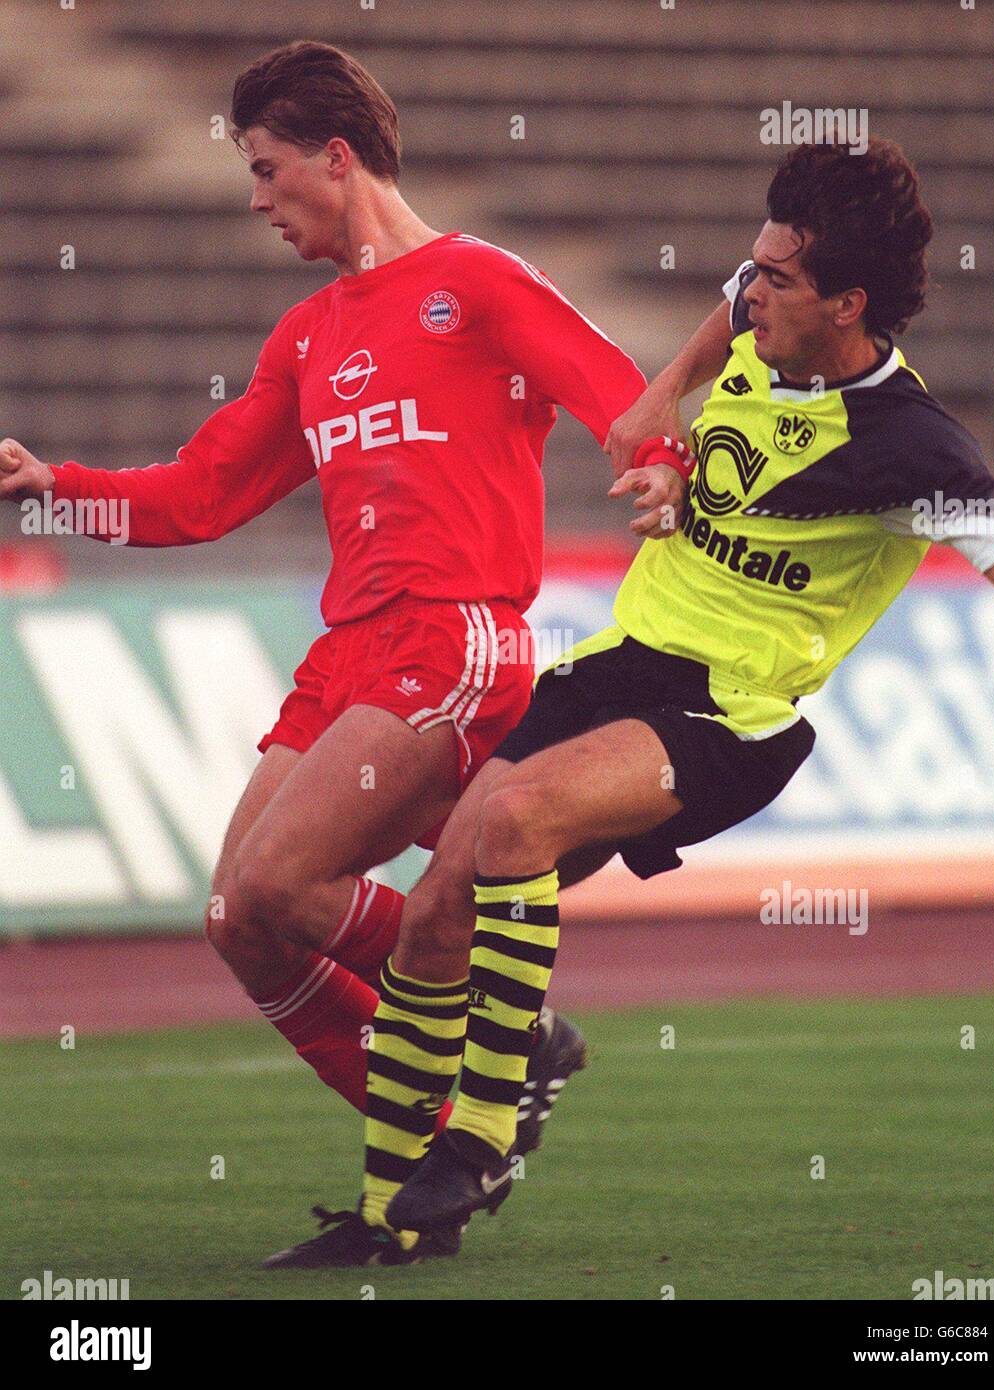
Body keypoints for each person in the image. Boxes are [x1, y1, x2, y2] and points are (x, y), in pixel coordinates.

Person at [0, 40, 673, 1268]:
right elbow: (200, 494)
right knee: (237, 917)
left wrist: (661, 468)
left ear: (336, 157)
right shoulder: (308, 336)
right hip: (347, 654)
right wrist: (56, 489)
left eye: (266, 170)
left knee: (278, 887)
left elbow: (615, 385)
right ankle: (433, 1157)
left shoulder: (472, 284)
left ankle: (502, 1039)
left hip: (455, 633)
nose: (256, 198)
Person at [345, 138, 994, 1242]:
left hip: (730, 715)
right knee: (432, 921)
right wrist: (664, 403)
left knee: (517, 821)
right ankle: (388, 1217)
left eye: (777, 278)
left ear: (847, 304)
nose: (750, 288)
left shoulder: (916, 448)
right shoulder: (765, 320)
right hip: (625, 658)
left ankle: (476, 1143)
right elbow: (723, 310)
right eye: (753, 266)